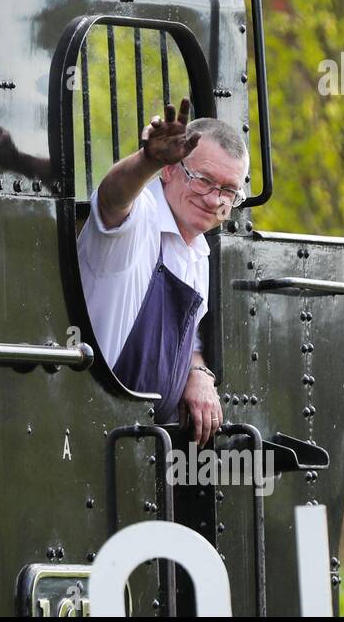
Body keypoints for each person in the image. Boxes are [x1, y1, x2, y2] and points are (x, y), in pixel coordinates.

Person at [76, 98, 249, 445]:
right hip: (93, 432)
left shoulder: (198, 251)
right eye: (203, 180)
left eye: (229, 191)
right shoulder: (140, 219)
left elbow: (191, 336)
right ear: (170, 169)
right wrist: (145, 162)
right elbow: (113, 200)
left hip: (147, 442)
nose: (216, 200)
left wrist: (197, 371)